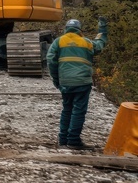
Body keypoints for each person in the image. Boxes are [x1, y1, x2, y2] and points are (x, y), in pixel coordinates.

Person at [46, 16, 109, 150]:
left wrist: (57, 80)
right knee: (78, 111)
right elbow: (100, 44)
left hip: (66, 82)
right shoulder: (86, 42)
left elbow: (51, 60)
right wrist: (102, 29)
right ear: (79, 30)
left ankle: (63, 140)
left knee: (67, 109)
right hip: (82, 82)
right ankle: (73, 140)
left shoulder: (59, 41)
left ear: (66, 29)